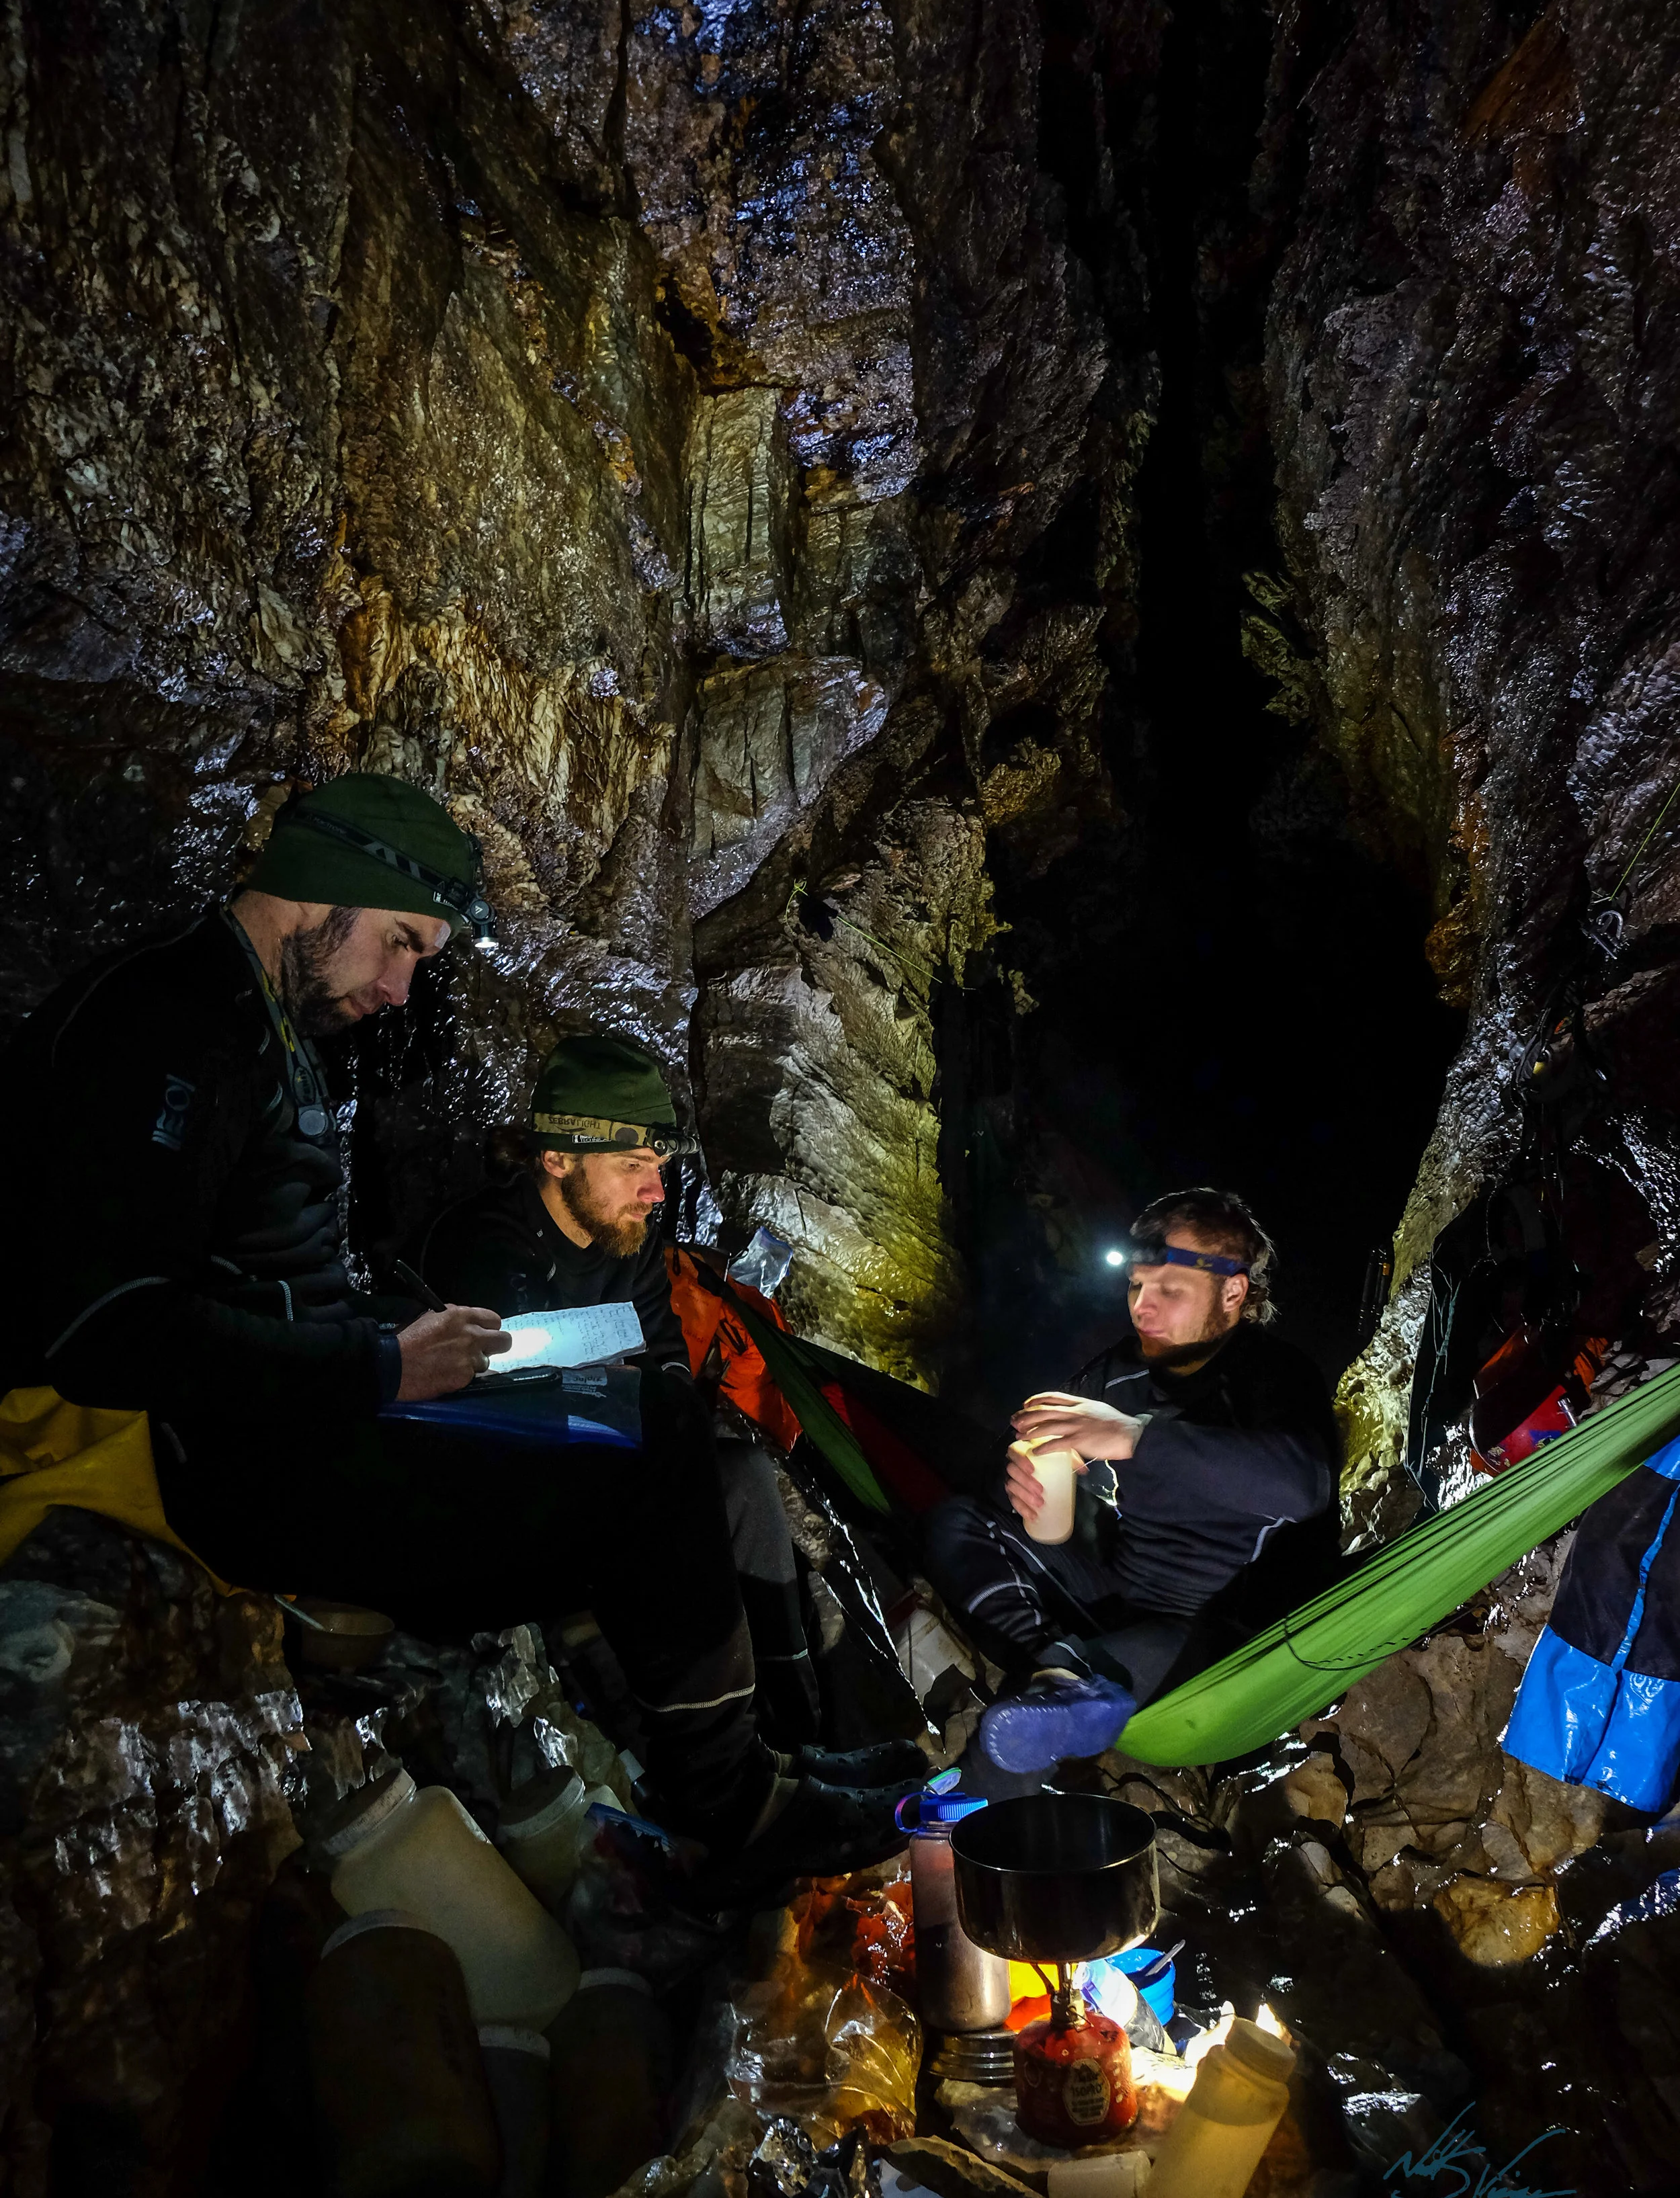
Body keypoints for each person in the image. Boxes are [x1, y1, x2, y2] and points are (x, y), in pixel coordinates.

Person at [0, 771, 907, 1895]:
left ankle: (756, 1769)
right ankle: (732, 1805)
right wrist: (384, 1360)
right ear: (322, 888)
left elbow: (264, 1287)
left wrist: (405, 1331)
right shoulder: (166, 1029)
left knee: (653, 1414)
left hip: (310, 1408)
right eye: (398, 943)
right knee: (650, 1449)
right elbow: (109, 1326)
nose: (398, 986)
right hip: (239, 1468)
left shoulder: (257, 1021)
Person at [418, 1036, 837, 1755]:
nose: (655, 1191)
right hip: (510, 1498)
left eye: (659, 1168)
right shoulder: (482, 1243)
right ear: (556, 1159)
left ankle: (800, 1736)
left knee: (745, 1480)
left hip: (622, 1466)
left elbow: (667, 1371)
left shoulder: (632, 1244)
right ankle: (711, 1757)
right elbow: (519, 1386)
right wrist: (617, 1372)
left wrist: (617, 1378)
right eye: (632, 1167)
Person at [921, 1187, 1338, 1773]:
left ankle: (987, 1774)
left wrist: (1134, 1438)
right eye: (1137, 1287)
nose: (1143, 1307)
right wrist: (1035, 1497)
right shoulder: (1115, 1375)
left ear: (1233, 1291)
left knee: (1157, 1649)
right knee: (958, 1520)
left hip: (1230, 1642)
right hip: (1119, 1601)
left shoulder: (1275, 1377)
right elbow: (1040, 1500)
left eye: (1169, 1290)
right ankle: (1060, 1677)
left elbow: (1303, 1486)